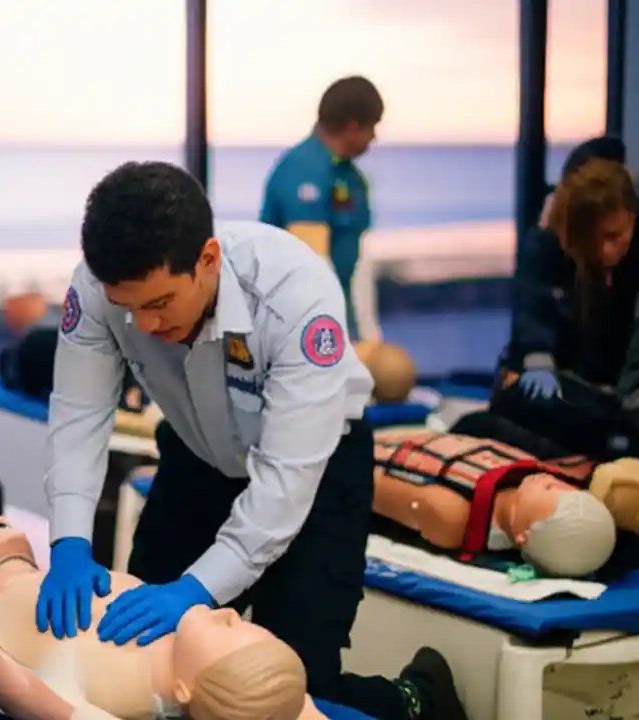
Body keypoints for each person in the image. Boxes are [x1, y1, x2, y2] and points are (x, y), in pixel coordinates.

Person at [36, 161, 465, 720]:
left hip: (316, 467)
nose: (142, 325)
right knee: (144, 664)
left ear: (207, 260)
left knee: (288, 692)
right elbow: (79, 413)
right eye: (128, 309)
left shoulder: (294, 295)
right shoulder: (96, 287)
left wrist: (195, 591)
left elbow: (285, 482)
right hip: (198, 455)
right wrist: (69, 543)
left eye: (160, 303)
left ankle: (415, 699)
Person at [0, 511, 330, 720]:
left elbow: (37, 699)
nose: (229, 612)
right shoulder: (196, 661)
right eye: (242, 622)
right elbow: (289, 701)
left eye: (229, 630)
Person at [494, 157, 639, 503]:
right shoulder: (561, 247)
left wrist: (628, 416)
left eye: (614, 236)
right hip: (602, 392)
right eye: (594, 243)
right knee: (507, 402)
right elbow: (536, 305)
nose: (605, 250)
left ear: (631, 214)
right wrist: (536, 361)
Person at [371, 428, 639, 578]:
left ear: (524, 535)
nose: (555, 482)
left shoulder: (452, 515)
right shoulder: (528, 475)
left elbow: (372, 485)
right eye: (567, 488)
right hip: (409, 436)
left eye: (552, 489)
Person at [259, 76, 383, 340]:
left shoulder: (353, 179)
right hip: (299, 326)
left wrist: (367, 335)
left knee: (393, 371)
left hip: (343, 321)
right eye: (371, 127)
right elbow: (312, 269)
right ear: (352, 126)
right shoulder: (301, 169)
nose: (374, 137)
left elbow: (359, 262)